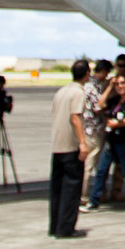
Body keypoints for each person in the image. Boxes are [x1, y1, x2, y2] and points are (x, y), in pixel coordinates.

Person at [90, 55, 125, 211]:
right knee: (102, 168)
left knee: (123, 168)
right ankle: (97, 196)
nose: (122, 68)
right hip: (109, 128)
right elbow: (100, 103)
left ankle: (117, 191)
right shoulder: (111, 83)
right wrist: (111, 87)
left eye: (124, 65)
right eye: (119, 65)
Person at [48, 58, 91, 238]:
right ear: (87, 74)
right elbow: (75, 117)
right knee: (71, 189)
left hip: (57, 146)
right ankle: (66, 228)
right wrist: (82, 142)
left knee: (57, 189)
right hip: (70, 147)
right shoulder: (78, 93)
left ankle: (55, 226)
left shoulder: (61, 91)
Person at [78, 58, 112, 207]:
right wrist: (110, 88)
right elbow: (99, 106)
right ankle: (83, 196)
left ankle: (92, 192)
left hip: (88, 127)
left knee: (92, 164)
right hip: (93, 130)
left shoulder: (87, 85)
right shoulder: (92, 86)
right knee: (89, 164)